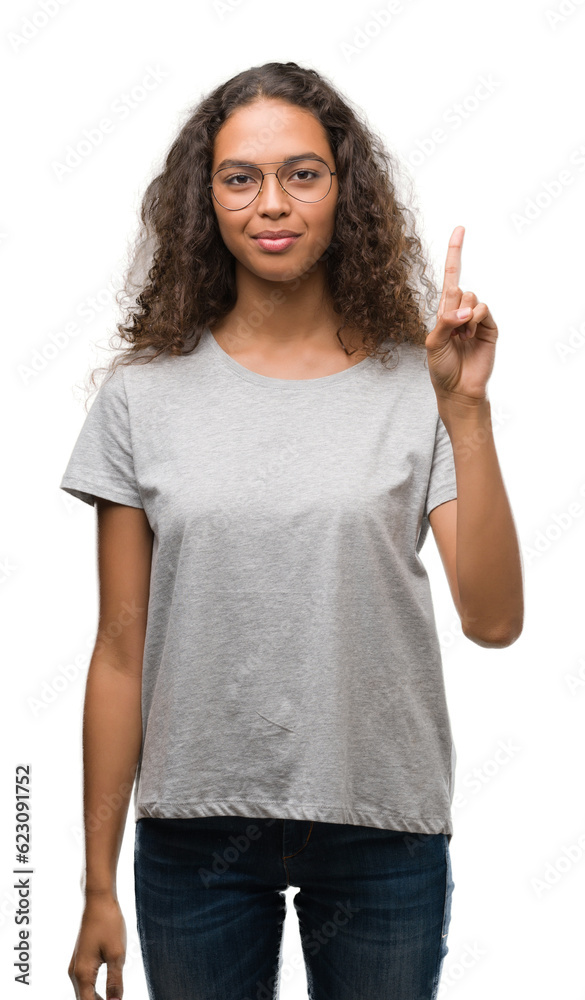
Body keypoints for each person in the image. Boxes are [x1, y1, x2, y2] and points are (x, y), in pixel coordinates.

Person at [62, 61, 524, 1000]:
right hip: (194, 833)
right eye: (241, 177)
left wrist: (465, 413)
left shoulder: (417, 383)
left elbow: (493, 619)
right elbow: (119, 649)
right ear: (207, 200)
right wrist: (95, 882)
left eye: (302, 173)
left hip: (381, 824)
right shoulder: (140, 399)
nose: (271, 203)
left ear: (343, 191)